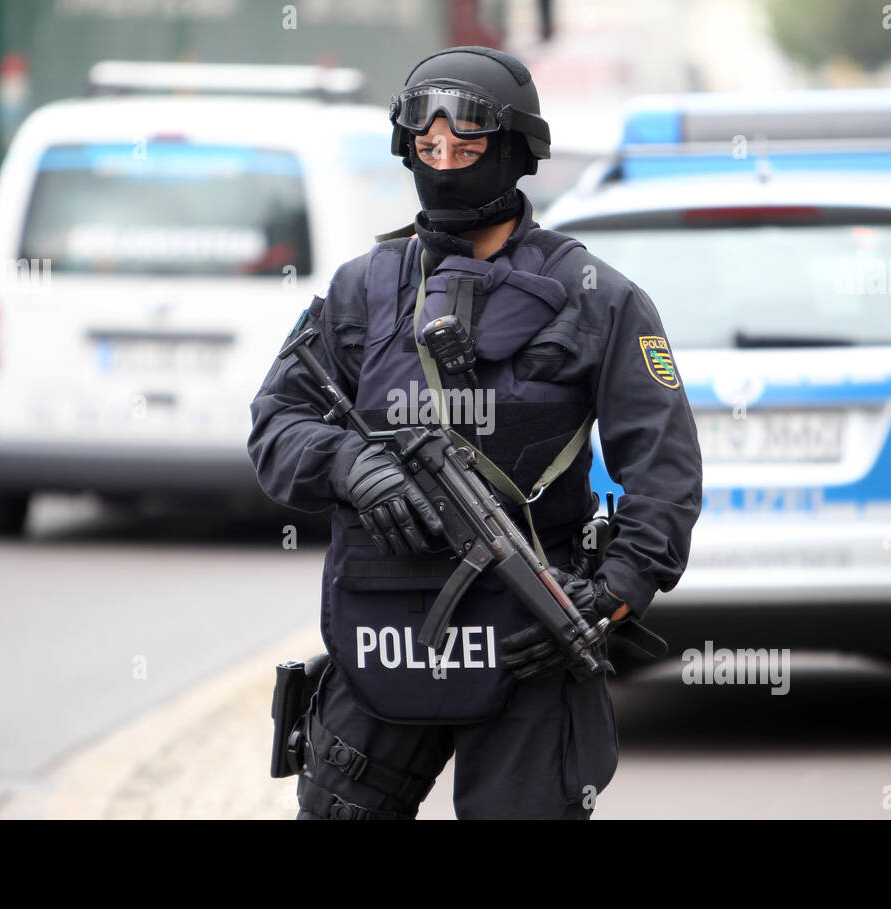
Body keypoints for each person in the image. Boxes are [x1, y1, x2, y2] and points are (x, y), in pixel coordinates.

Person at [248, 45, 702, 820]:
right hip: (384, 630)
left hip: (529, 631)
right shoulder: (364, 290)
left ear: (515, 150)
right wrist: (352, 463)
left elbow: (663, 474)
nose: (445, 160)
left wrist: (614, 595)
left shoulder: (597, 299)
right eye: (428, 145)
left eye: (467, 145)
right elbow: (275, 427)